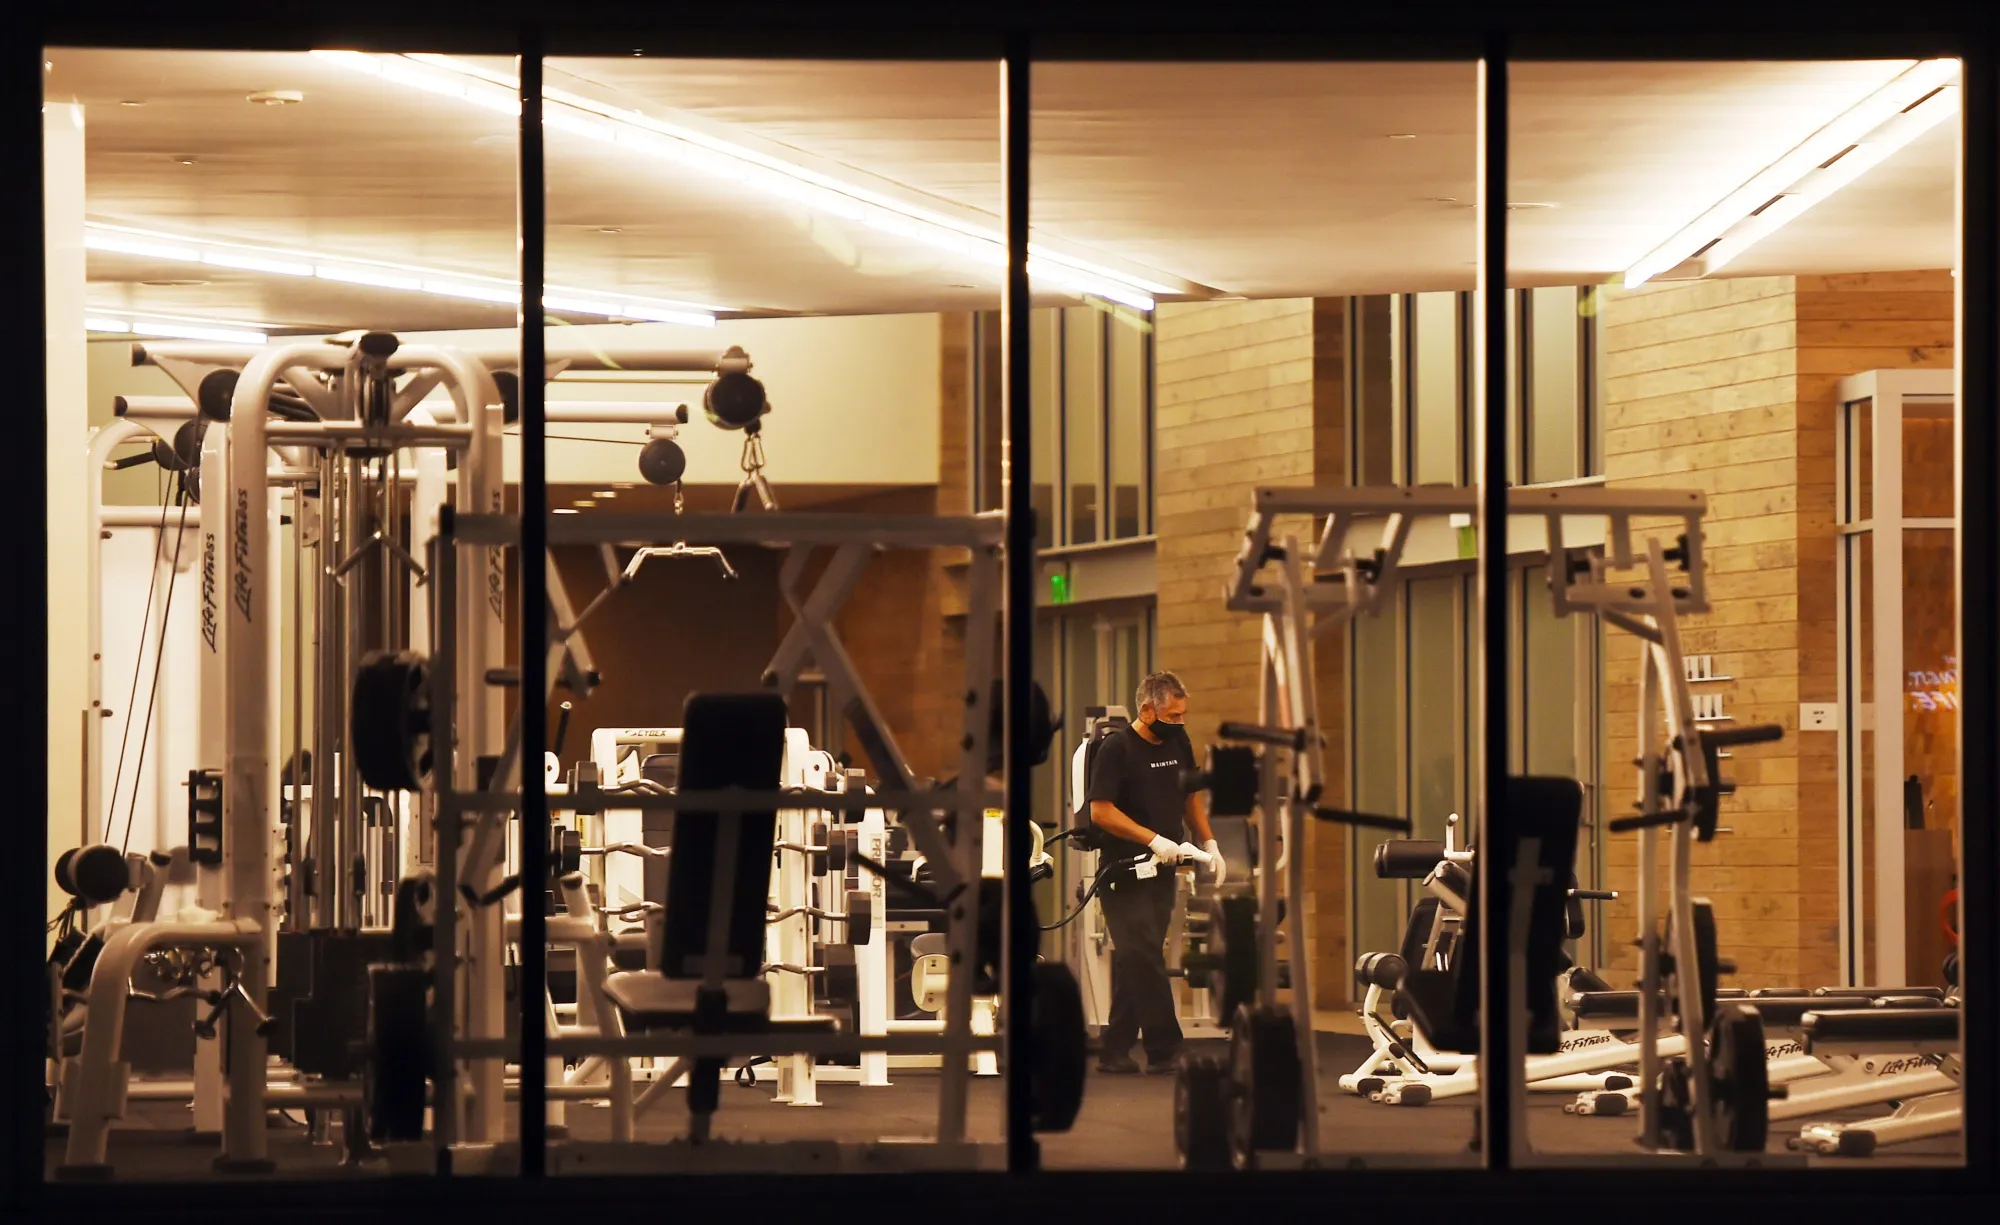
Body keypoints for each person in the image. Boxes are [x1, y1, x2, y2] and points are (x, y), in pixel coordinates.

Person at [1084, 671, 1225, 1074]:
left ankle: (1114, 1050)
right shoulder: (1117, 749)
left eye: (1182, 715)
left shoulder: (1178, 741)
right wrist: (1154, 840)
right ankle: (1166, 1050)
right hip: (1123, 871)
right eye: (1173, 716)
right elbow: (1101, 811)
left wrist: (1210, 843)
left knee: (1138, 958)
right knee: (1143, 953)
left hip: (1163, 871)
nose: (1179, 722)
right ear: (1147, 710)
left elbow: (1189, 797)